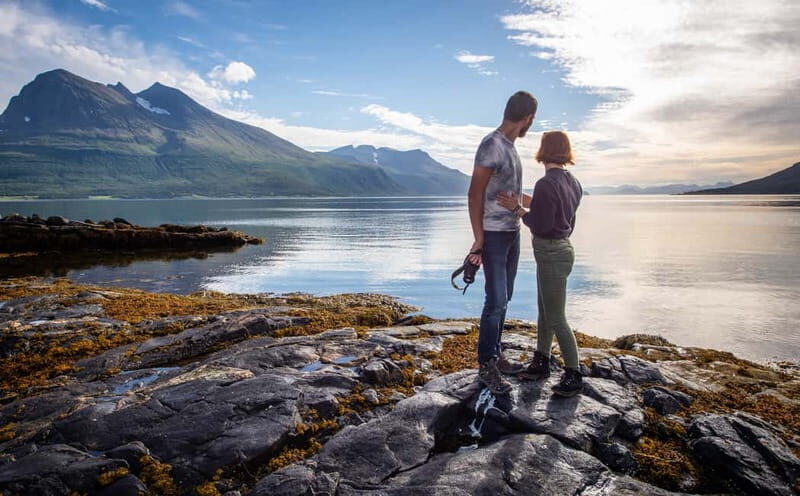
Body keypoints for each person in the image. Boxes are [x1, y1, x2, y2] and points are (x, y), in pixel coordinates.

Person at [496, 130, 583, 397]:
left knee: (556, 316)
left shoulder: (546, 183)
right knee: (545, 310)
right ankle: (541, 361)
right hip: (563, 249)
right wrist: (525, 201)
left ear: (543, 151)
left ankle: (574, 374)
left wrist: (515, 208)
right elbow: (559, 213)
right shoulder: (572, 181)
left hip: (550, 252)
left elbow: (540, 223)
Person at [468, 91, 538, 395]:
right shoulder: (491, 145)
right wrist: (479, 239)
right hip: (494, 236)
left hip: (512, 233)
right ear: (528, 119)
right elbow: (474, 194)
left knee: (505, 296)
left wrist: (542, 202)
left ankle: (496, 356)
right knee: (495, 299)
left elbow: (508, 193)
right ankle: (486, 365)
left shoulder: (510, 148)